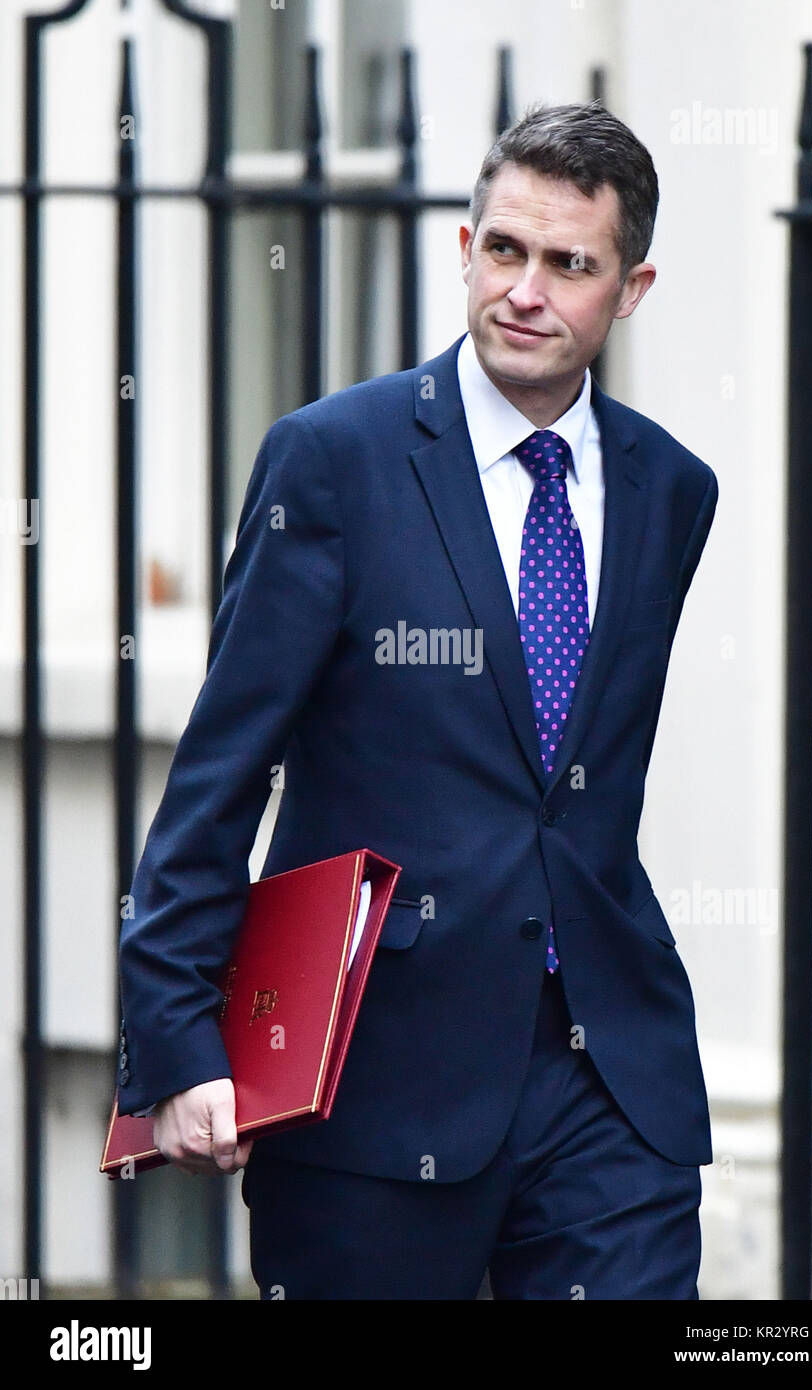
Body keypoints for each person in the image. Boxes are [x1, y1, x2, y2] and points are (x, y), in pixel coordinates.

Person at [116, 101, 718, 1300]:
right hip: (378, 1084)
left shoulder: (671, 491)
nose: (525, 291)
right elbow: (223, 765)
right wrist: (176, 1035)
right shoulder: (333, 461)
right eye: (503, 249)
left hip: (606, 1083)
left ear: (631, 287)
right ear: (463, 248)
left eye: (568, 263)